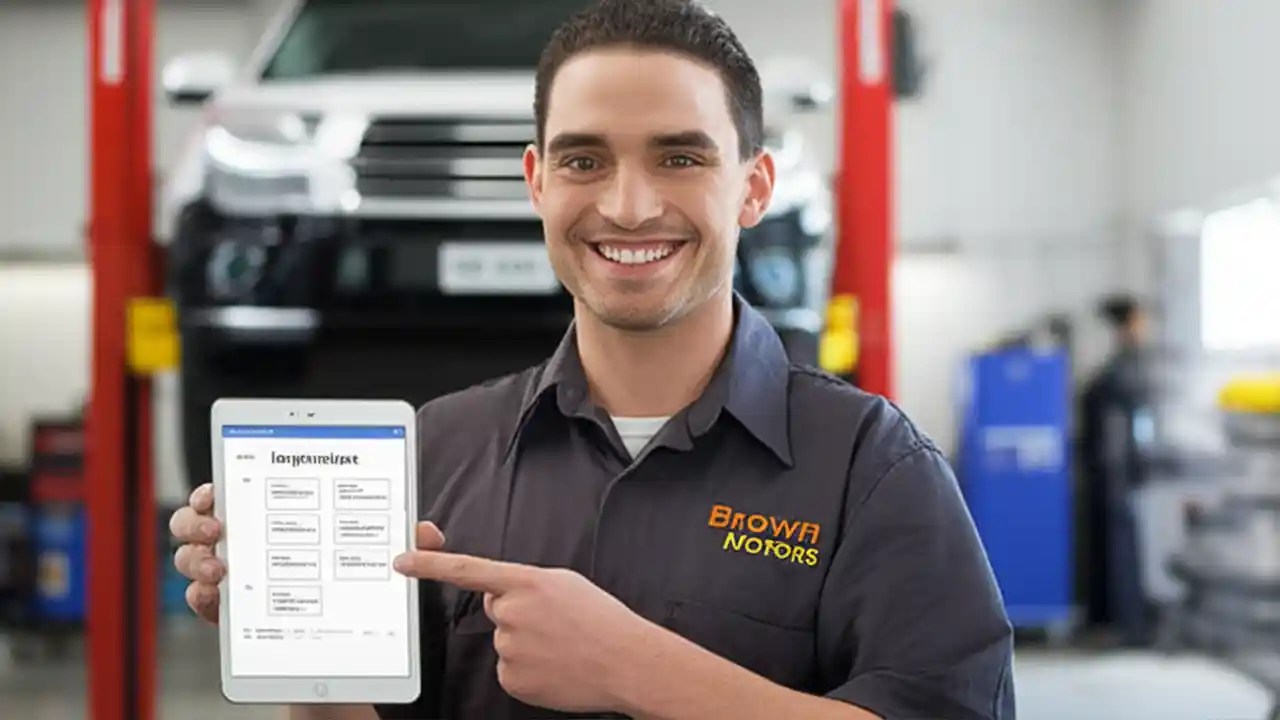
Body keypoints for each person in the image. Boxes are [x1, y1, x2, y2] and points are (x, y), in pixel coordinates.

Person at [170, 1, 1015, 718]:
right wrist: (311, 652)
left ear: (755, 187)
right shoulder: (435, 455)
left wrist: (637, 669)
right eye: (584, 160)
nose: (629, 206)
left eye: (679, 158)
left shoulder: (871, 469)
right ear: (537, 182)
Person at [1078, 294, 1154, 646]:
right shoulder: (1119, 372)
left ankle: (1123, 622)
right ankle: (1117, 621)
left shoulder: (1125, 370)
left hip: (1113, 474)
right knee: (1113, 549)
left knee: (1118, 549)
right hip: (1111, 474)